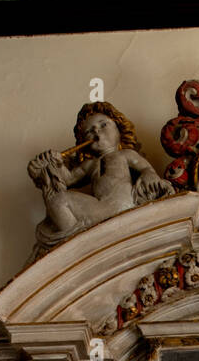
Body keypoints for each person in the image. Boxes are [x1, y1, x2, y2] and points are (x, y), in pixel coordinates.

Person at [27, 101, 172, 259]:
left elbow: (146, 169)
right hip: (98, 209)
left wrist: (149, 175)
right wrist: (54, 164)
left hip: (121, 207)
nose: (97, 133)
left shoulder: (125, 155)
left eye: (103, 125)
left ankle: (83, 244)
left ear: (119, 127)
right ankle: (77, 245)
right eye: (90, 131)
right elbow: (67, 180)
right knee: (58, 201)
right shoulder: (89, 164)